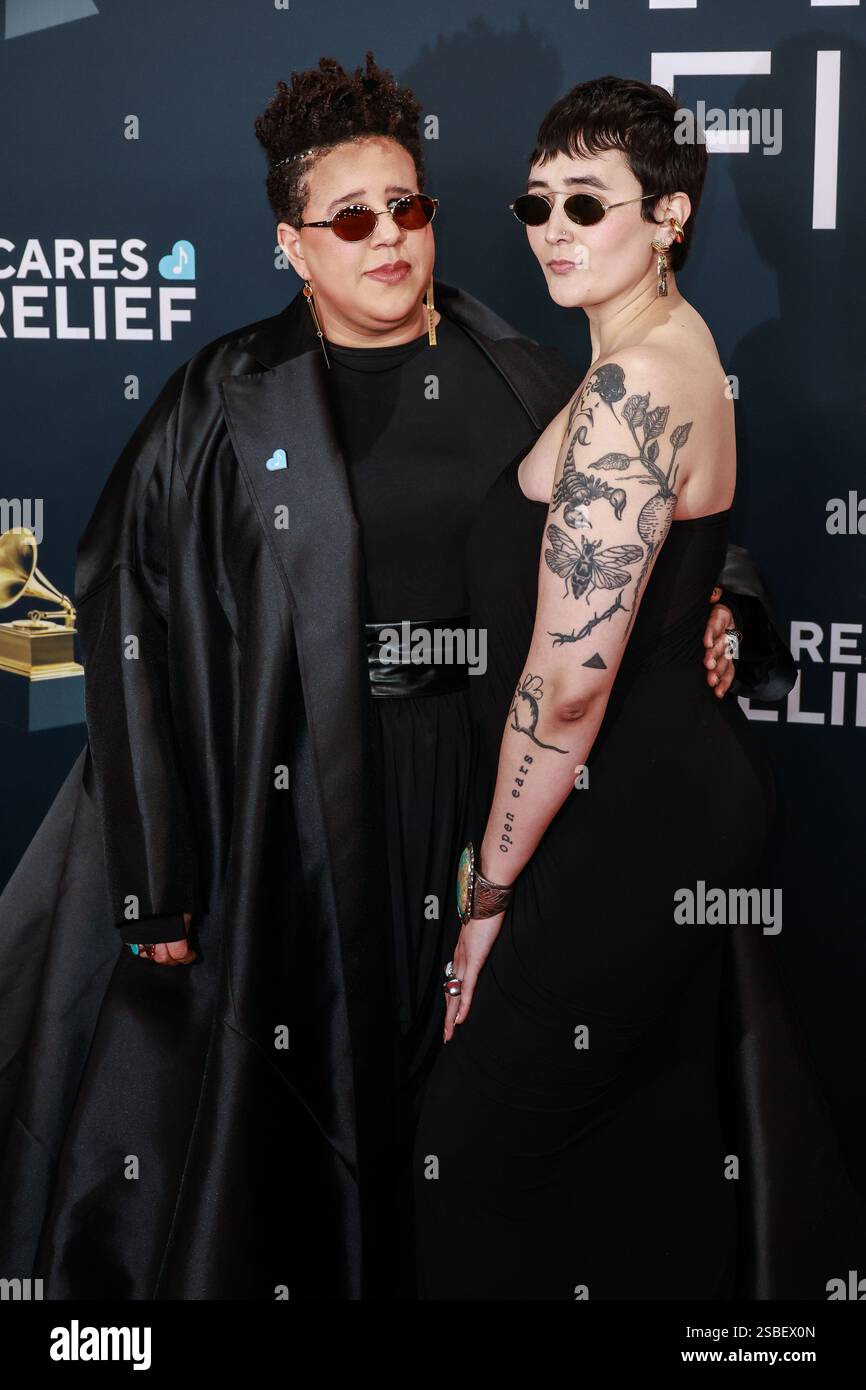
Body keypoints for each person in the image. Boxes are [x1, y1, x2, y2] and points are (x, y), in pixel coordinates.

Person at [0, 57, 794, 1302]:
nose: (387, 240)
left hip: (500, 806)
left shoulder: (521, 369)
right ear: (292, 245)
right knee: (331, 1131)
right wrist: (155, 875)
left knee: (484, 1135)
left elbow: (669, 537)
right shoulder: (219, 400)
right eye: (351, 219)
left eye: (408, 209)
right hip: (307, 818)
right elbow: (124, 611)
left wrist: (726, 617)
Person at [413, 75, 865, 1300]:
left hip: (626, 824)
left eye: (585, 201)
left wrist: (488, 890)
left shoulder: (631, 389)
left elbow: (564, 690)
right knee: (635, 1157)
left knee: (472, 1155)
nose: (550, 226)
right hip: (662, 803)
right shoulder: (659, 359)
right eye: (533, 200)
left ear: (666, 216)